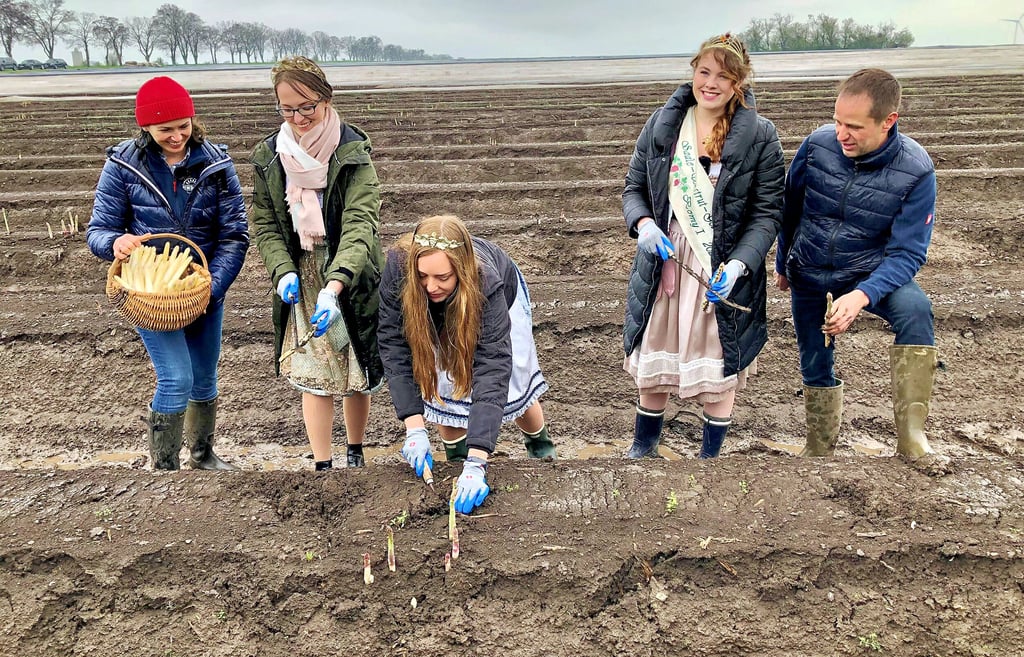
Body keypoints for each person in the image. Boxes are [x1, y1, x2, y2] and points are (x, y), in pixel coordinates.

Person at [621, 34, 784, 460]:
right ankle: (644, 447)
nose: (710, 83)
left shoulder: (761, 136)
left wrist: (738, 267)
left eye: (723, 76)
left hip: (721, 267)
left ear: (739, 83)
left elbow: (767, 216)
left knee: (718, 357)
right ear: (693, 71)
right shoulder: (664, 125)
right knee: (657, 349)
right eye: (704, 72)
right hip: (666, 261)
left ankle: (710, 458)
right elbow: (633, 188)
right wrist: (642, 224)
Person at [775, 68, 939, 459]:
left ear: (888, 122)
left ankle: (912, 439)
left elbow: (908, 253)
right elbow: (789, 209)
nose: (841, 134)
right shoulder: (816, 147)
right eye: (836, 121)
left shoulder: (916, 170)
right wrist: (784, 262)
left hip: (871, 269)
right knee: (815, 355)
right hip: (812, 268)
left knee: (916, 310)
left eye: (854, 126)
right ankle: (820, 446)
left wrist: (862, 295)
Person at [87, 76, 249, 471]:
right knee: (176, 378)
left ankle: (203, 455)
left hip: (202, 289)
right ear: (145, 126)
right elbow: (97, 231)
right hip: (150, 293)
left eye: (184, 126)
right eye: (165, 130)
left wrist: (212, 288)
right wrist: (115, 243)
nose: (177, 136)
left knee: (205, 378)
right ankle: (163, 467)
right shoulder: (123, 165)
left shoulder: (216, 163)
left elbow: (235, 235)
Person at [250, 56, 384, 471]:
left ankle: (356, 452)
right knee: (315, 369)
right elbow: (267, 223)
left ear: (326, 99)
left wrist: (336, 283)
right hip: (303, 274)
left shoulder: (353, 154)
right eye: (287, 109)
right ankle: (323, 465)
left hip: (350, 271)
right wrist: (282, 270)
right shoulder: (271, 155)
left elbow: (361, 225)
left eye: (307, 106)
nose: (298, 117)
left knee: (354, 361)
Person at [378, 215, 556, 514]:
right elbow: (393, 343)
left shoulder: (487, 281)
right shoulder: (398, 268)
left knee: (515, 390)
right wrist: (414, 426)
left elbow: (493, 366)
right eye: (422, 276)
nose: (430, 286)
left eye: (442, 278)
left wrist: (479, 461)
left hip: (490, 303)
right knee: (444, 388)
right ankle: (456, 463)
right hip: (432, 314)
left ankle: (541, 449)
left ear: (460, 269)